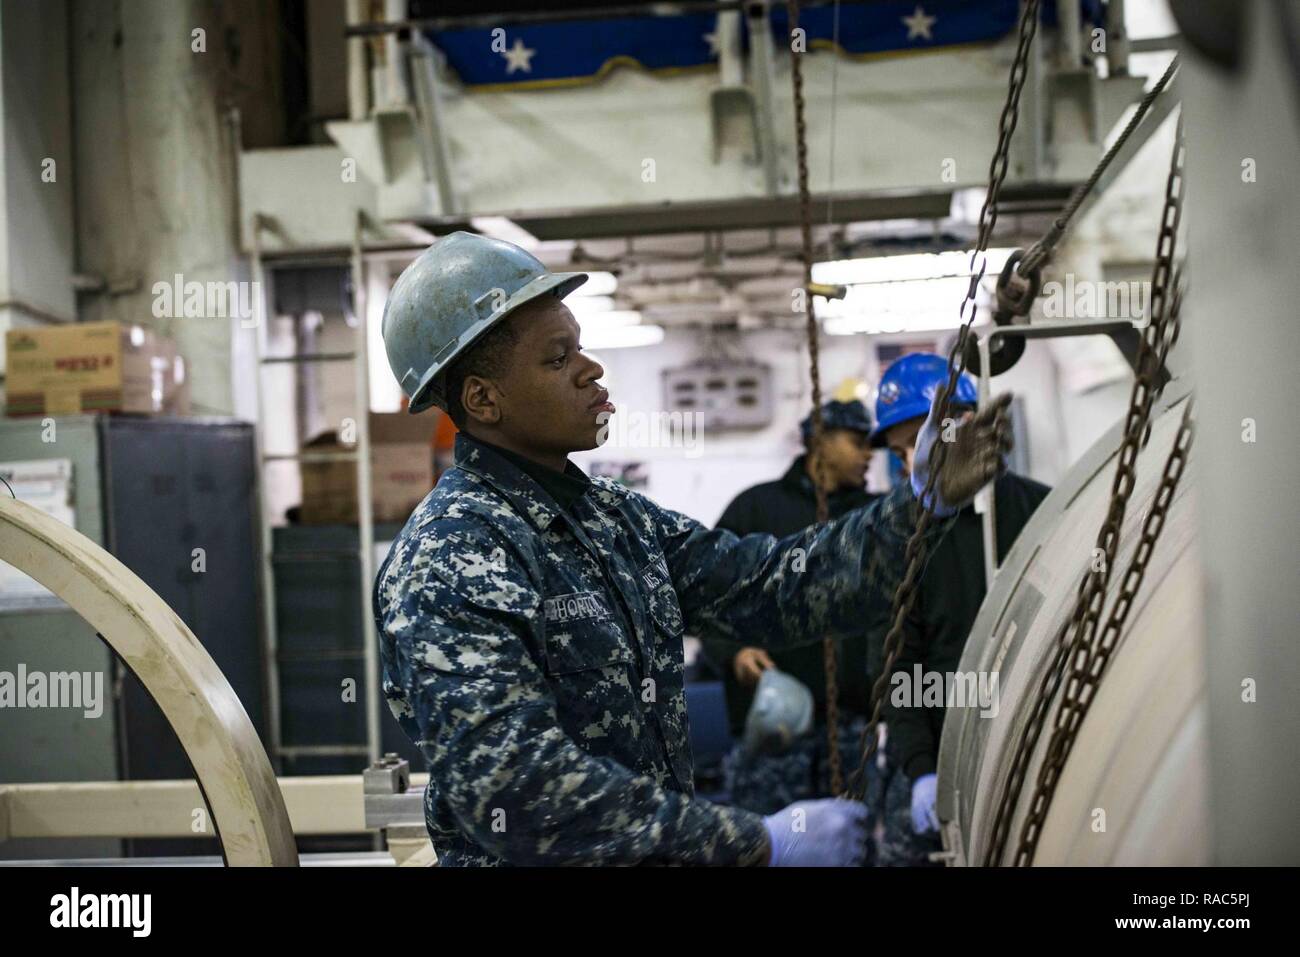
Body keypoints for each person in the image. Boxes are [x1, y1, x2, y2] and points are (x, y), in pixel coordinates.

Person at [371, 232, 1012, 866]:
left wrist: (922, 503)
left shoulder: (615, 519)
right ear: (484, 399)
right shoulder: (453, 553)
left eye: (581, 348)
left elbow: (773, 587)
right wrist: (754, 842)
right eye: (557, 358)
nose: (591, 369)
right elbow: (516, 789)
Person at [872, 352, 1051, 865]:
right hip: (941, 755)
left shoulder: (1045, 513)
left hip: (1035, 742)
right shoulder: (903, 541)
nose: (911, 462)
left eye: (920, 441)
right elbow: (895, 664)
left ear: (967, 426)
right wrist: (921, 769)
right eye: (901, 450)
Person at [701, 400, 884, 820]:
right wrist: (733, 653)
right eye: (857, 442)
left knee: (852, 843)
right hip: (776, 728)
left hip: (853, 727)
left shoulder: (873, 518)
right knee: (773, 842)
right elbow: (708, 594)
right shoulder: (756, 510)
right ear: (819, 443)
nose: (869, 453)